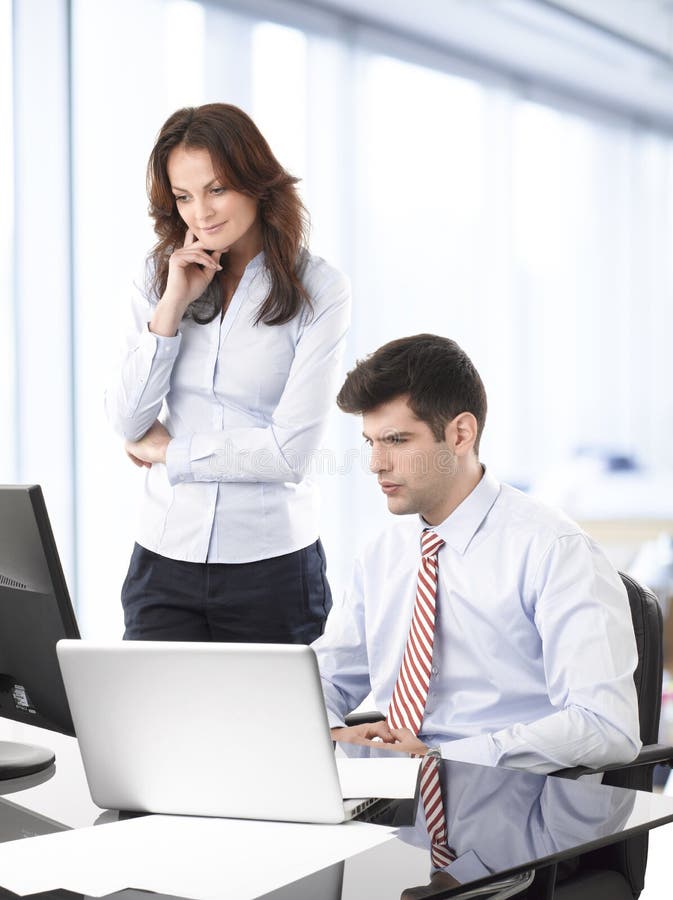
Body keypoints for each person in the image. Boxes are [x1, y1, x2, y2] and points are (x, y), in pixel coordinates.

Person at [313, 334, 641, 772]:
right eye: (370, 442)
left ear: (461, 434)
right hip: (391, 792)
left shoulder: (553, 550)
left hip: (513, 798)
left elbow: (606, 726)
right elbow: (325, 679)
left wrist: (441, 759)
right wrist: (330, 731)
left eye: (395, 440)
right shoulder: (381, 555)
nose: (375, 464)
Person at [105, 103, 350, 643]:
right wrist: (170, 307)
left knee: (270, 729)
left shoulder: (321, 290)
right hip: (162, 560)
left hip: (273, 567)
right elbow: (128, 419)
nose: (201, 214)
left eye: (217, 189)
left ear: (256, 183)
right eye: (184, 197)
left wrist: (170, 451)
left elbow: (291, 453)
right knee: (151, 725)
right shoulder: (156, 278)